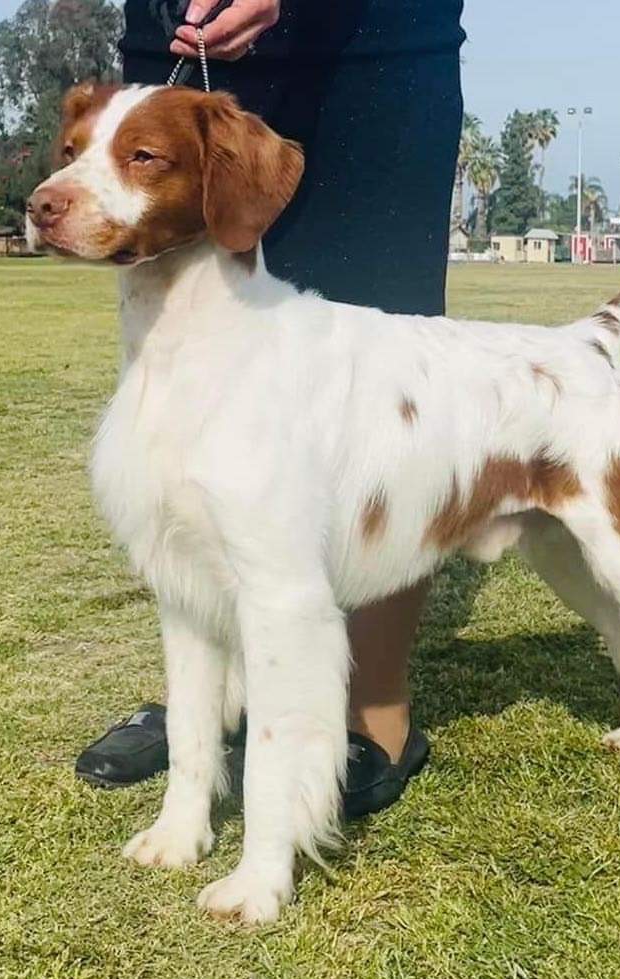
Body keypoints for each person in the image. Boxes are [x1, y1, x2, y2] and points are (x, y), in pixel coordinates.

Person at [75, 0, 465, 818]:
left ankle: (374, 708)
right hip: (178, 23)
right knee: (188, 454)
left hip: (371, 40)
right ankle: (209, 712)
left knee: (375, 393)